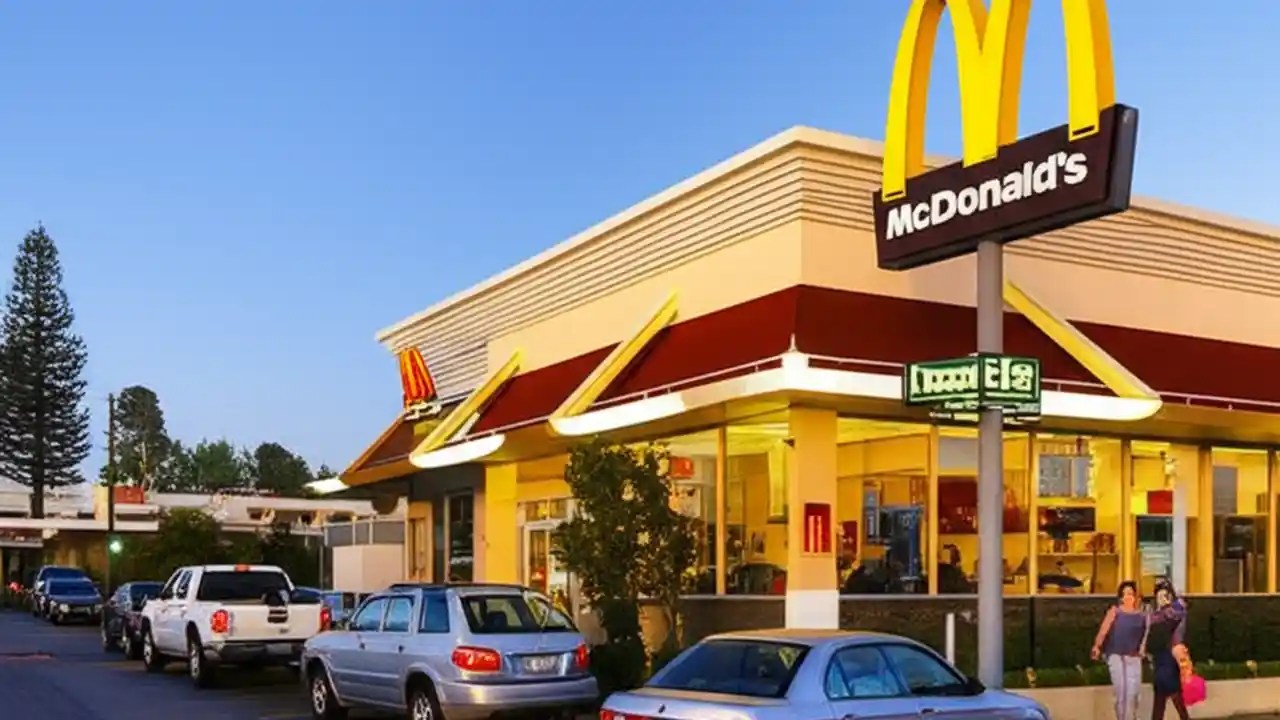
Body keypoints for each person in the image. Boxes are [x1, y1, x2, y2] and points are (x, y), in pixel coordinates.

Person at [1091, 580, 1148, 720]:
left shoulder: (1142, 615)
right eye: (1125, 594)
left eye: (1131, 594)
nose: (1128, 597)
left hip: (1134, 657)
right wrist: (1097, 646)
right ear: (1121, 597)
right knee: (1121, 691)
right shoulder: (1114, 612)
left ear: (1136, 596)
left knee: (1134, 692)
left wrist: (1143, 649)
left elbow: (1145, 635)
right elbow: (1104, 630)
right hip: (1117, 656)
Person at [1147, 578, 1190, 720]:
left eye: (1165, 594)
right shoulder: (1155, 612)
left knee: (1172, 689)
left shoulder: (1177, 607)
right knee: (1160, 690)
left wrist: (1165, 607)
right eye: (1159, 594)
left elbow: (1175, 618)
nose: (1162, 597)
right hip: (1160, 656)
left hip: (1171, 655)